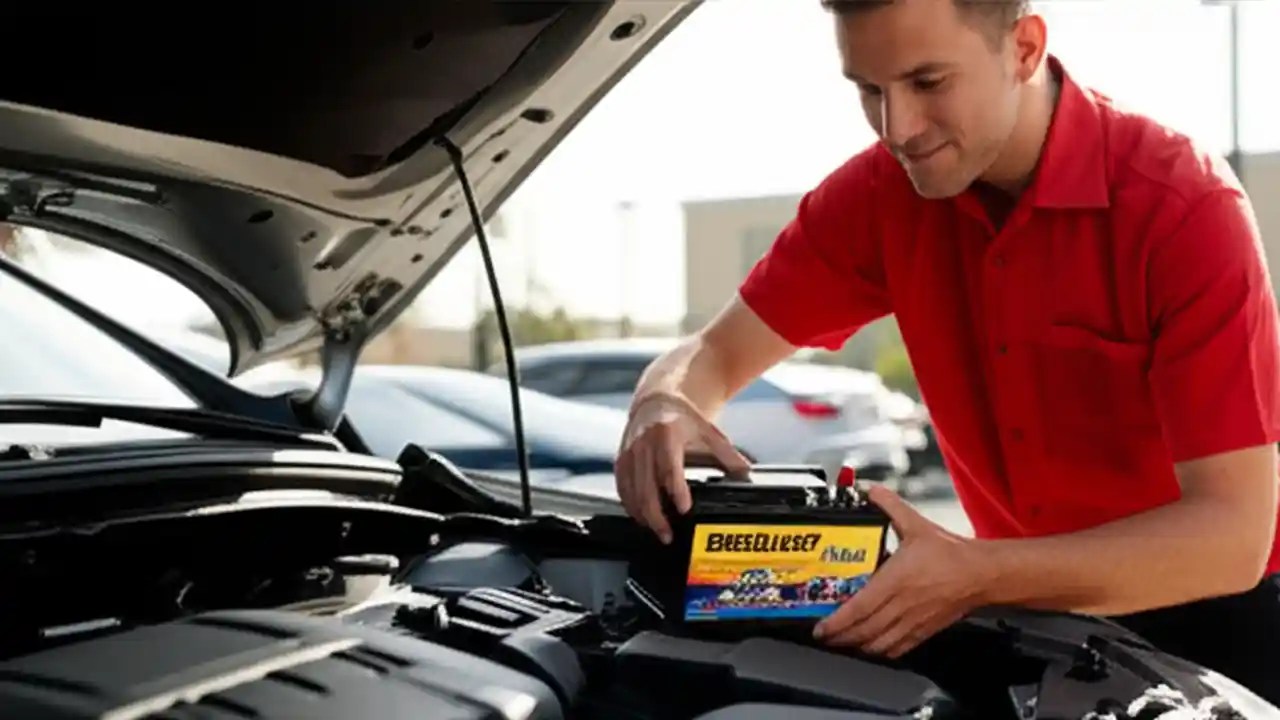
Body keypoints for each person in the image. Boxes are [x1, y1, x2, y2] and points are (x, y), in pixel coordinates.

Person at [614, 0, 1280, 703]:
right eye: (869, 91)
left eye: (928, 82)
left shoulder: (1183, 207)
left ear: (1023, 48)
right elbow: (712, 356)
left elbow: (1230, 537)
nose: (898, 128)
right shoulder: (877, 196)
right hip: (1019, 621)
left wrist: (977, 573)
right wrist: (665, 398)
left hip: (1221, 635)